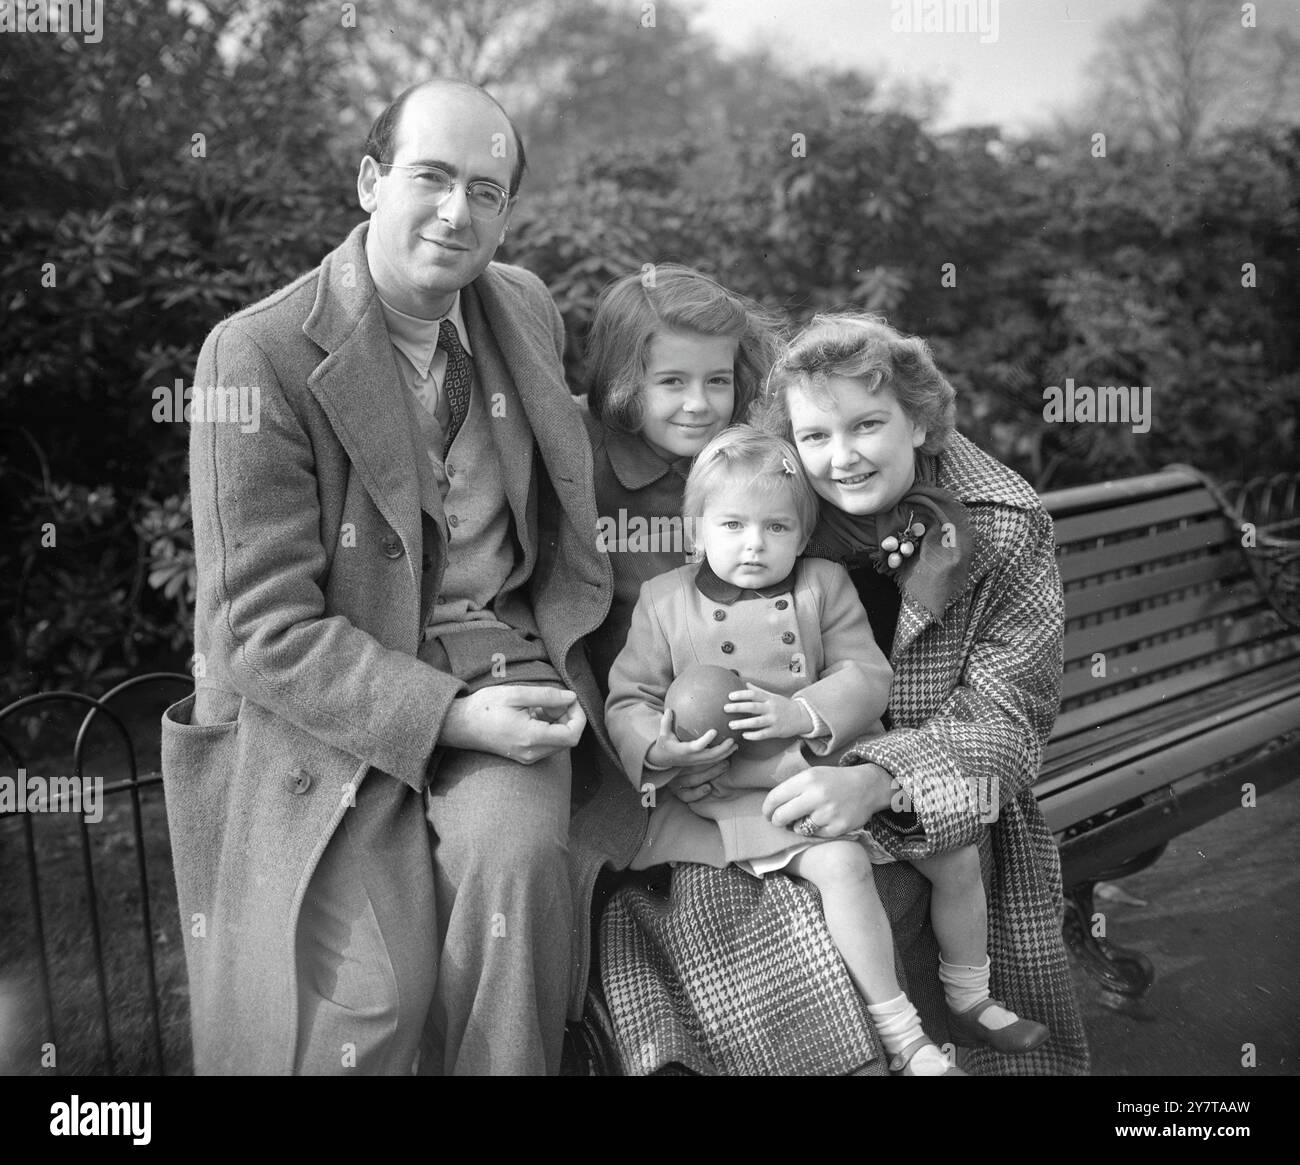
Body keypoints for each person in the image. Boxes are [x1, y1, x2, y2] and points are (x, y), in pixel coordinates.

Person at [160, 78, 640, 1076]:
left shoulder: (522, 306)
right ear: (372, 181)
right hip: (332, 716)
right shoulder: (256, 355)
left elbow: (579, 490)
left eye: (487, 189)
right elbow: (259, 630)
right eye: (432, 177)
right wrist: (455, 719)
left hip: (507, 668)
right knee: (364, 1014)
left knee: (516, 875)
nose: (459, 212)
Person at [601, 312, 1089, 1076]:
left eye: (868, 425)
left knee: (893, 871)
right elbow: (646, 672)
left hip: (935, 782)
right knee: (751, 914)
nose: (842, 456)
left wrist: (876, 777)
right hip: (754, 790)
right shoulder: (782, 503)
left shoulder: (997, 524)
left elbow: (1008, 715)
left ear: (920, 422)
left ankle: (955, 1013)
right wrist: (666, 750)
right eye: (817, 436)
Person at [579, 264, 778, 685]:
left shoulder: (746, 461)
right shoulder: (578, 452)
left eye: (718, 381)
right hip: (624, 703)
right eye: (672, 381)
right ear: (625, 379)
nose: (698, 404)